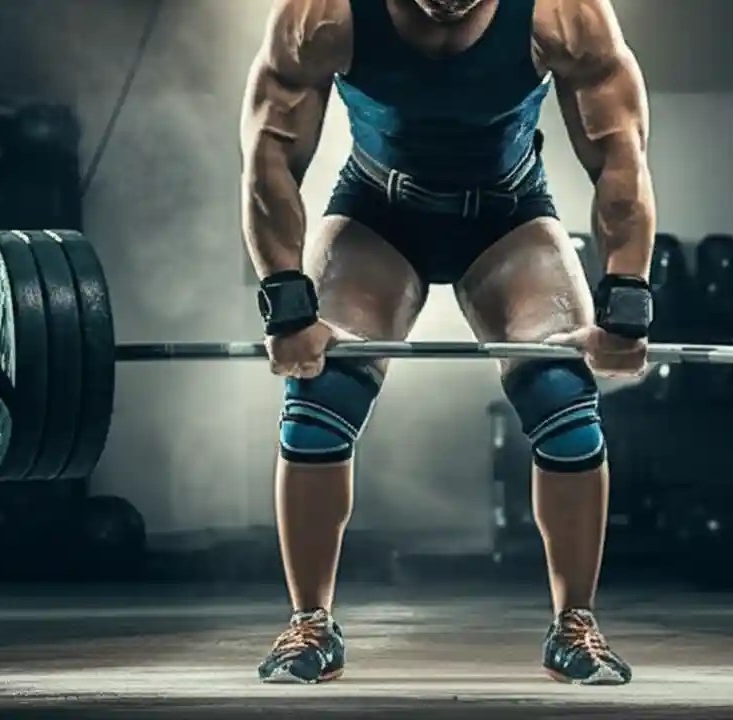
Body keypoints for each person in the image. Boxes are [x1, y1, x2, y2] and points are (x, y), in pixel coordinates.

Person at [239, 0, 656, 686]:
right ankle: (308, 622)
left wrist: (626, 301)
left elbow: (621, 155)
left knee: (565, 399)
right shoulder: (324, 13)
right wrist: (287, 305)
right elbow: (268, 156)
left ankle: (575, 624)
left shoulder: (562, 12)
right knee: (319, 395)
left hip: (508, 214)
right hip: (378, 214)